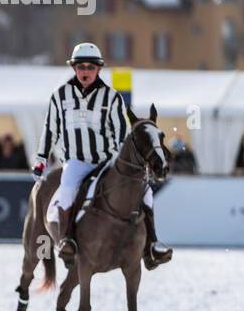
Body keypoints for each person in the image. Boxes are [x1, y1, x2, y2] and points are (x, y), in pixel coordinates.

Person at [34, 41, 171, 269]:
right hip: (76, 162)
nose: (85, 71)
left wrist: (121, 162)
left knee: (145, 190)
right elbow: (50, 129)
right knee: (67, 188)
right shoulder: (59, 96)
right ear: (74, 68)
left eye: (90, 67)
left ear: (98, 69)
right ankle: (68, 240)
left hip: (106, 161)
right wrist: (40, 160)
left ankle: (152, 246)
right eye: (81, 67)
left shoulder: (112, 97)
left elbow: (119, 133)